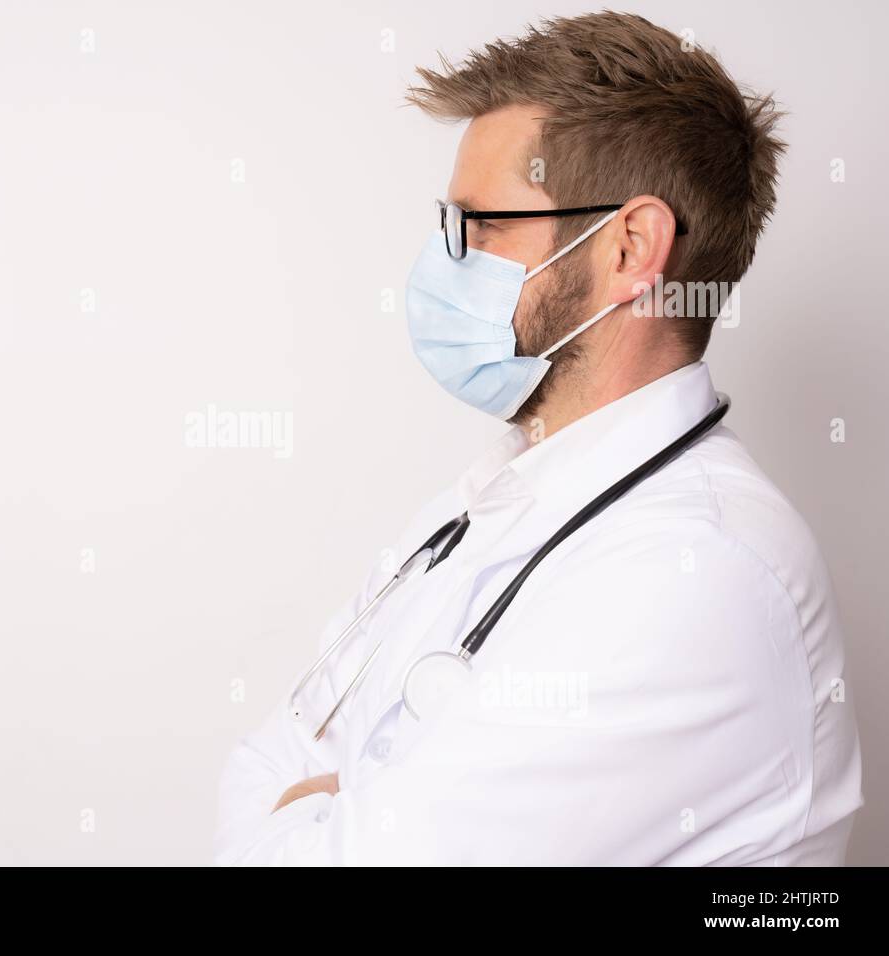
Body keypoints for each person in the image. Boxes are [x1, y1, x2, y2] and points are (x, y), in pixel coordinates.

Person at [215, 11, 862, 866]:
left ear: (631, 247)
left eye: (483, 227)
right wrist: (324, 814)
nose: (448, 261)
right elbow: (257, 775)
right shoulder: (482, 508)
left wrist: (333, 810)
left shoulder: (698, 571)